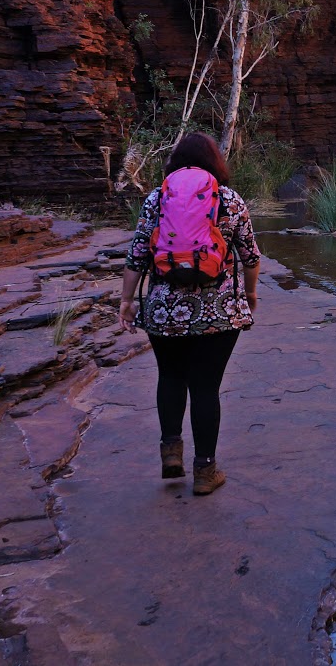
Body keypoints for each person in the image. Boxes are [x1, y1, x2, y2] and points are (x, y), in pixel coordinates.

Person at [119, 133, 259, 496]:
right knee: (205, 388)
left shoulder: (157, 198)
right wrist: (251, 292)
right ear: (215, 162)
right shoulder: (229, 200)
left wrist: (127, 301)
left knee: (170, 377)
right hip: (219, 312)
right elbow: (251, 256)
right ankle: (205, 471)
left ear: (175, 162)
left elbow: (137, 255)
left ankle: (170, 454)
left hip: (165, 311)